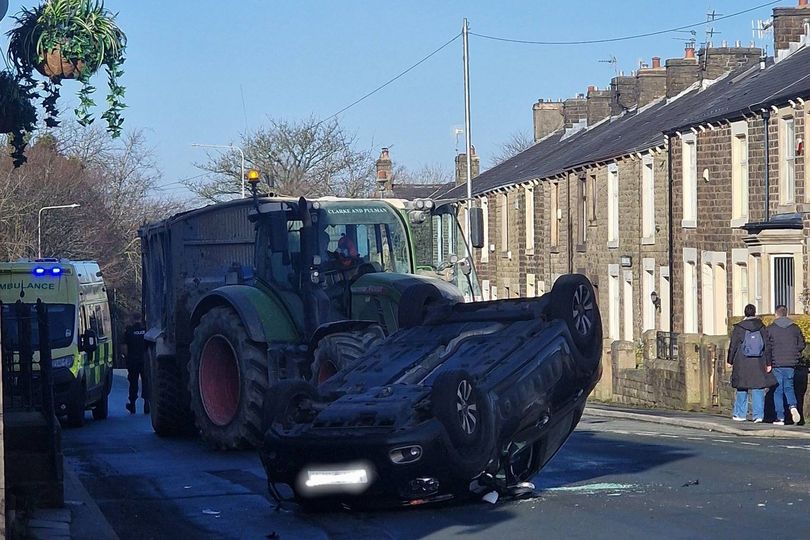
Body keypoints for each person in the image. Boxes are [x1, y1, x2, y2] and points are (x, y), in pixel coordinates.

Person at [727, 304, 774, 422]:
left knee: (741, 387)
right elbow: (767, 346)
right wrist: (769, 363)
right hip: (758, 361)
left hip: (742, 361)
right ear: (755, 312)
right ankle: (758, 416)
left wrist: (730, 360)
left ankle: (740, 414)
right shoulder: (762, 327)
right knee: (758, 388)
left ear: (745, 313)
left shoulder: (739, 328)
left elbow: (733, 346)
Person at [767, 305, 806, 425]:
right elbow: (802, 344)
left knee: (778, 390)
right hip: (791, 363)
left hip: (776, 363)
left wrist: (768, 362)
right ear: (786, 314)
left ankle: (780, 417)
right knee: (789, 387)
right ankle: (793, 406)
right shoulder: (795, 328)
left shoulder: (771, 329)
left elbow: (767, 347)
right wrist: (794, 352)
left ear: (776, 314)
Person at [124, 315, 149, 414]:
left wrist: (126, 358)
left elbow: (124, 347)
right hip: (144, 361)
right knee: (146, 382)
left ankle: (132, 404)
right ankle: (147, 403)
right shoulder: (145, 330)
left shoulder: (129, 331)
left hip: (133, 361)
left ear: (133, 319)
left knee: (133, 383)